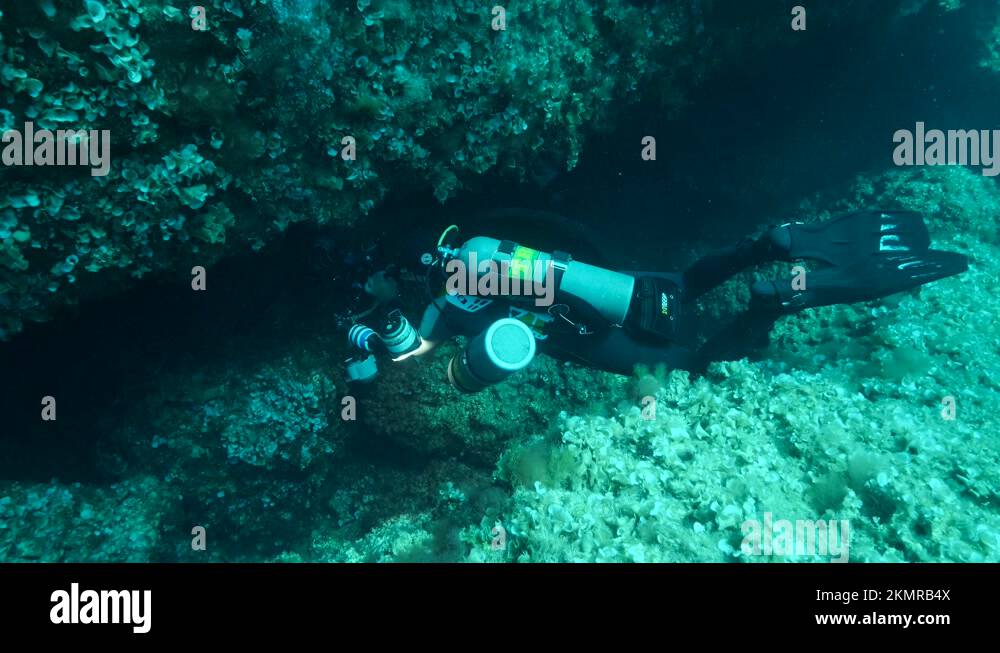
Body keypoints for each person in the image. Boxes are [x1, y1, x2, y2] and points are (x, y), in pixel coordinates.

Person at [348, 210, 969, 390]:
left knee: (696, 366)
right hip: (625, 287)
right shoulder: (483, 242)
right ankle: (769, 247)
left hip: (596, 336)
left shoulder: (441, 305)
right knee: (681, 289)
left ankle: (771, 301)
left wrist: (379, 341)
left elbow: (417, 351)